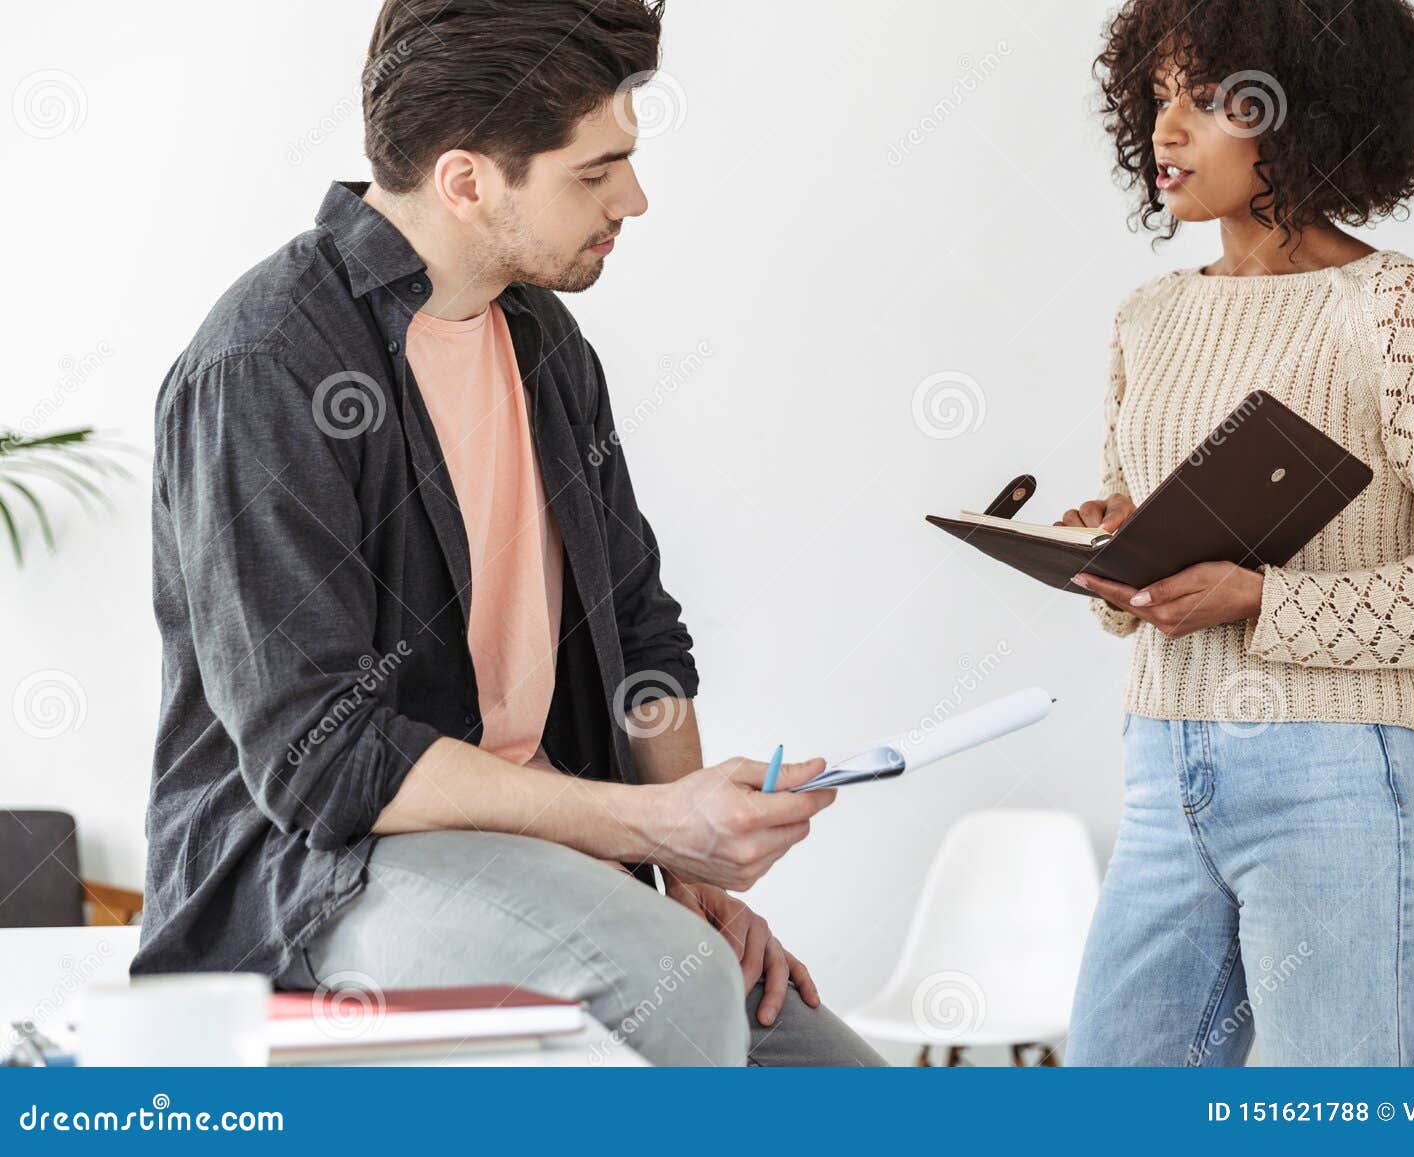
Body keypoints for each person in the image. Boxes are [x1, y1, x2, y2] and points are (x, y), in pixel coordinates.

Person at [134, 0, 882, 1067]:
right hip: (321, 869)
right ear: (467, 180)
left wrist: (697, 876)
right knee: (673, 994)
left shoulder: (543, 342)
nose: (635, 196)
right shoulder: (265, 363)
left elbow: (641, 629)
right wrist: (656, 825)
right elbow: (324, 759)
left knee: (840, 1082)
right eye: (594, 172)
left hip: (539, 849)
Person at [1057, 0, 1414, 1065]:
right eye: (1155, 97)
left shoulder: (1396, 308)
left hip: (1339, 779)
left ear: (1303, 115)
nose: (1165, 133)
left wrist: (1262, 598)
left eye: (1208, 100)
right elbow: (1148, 563)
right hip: (1161, 762)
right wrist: (1120, 541)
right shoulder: (1150, 315)